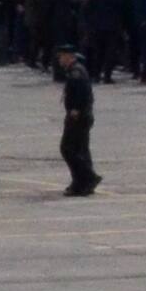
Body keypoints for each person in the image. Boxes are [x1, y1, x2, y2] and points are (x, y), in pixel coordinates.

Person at [56, 51, 100, 198]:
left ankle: (88, 177)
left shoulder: (76, 73)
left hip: (78, 117)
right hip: (84, 116)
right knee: (81, 150)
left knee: (68, 149)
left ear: (69, 57)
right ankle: (82, 183)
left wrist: (75, 110)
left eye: (62, 56)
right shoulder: (77, 70)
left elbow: (81, 93)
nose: (60, 60)